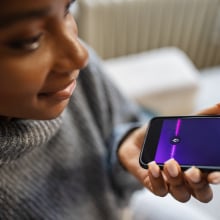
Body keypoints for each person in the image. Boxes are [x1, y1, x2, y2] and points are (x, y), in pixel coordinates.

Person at [0, 0, 220, 219]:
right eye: (29, 40)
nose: (80, 55)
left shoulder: (80, 79)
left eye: (67, 10)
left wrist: (124, 148)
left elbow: (121, 131)